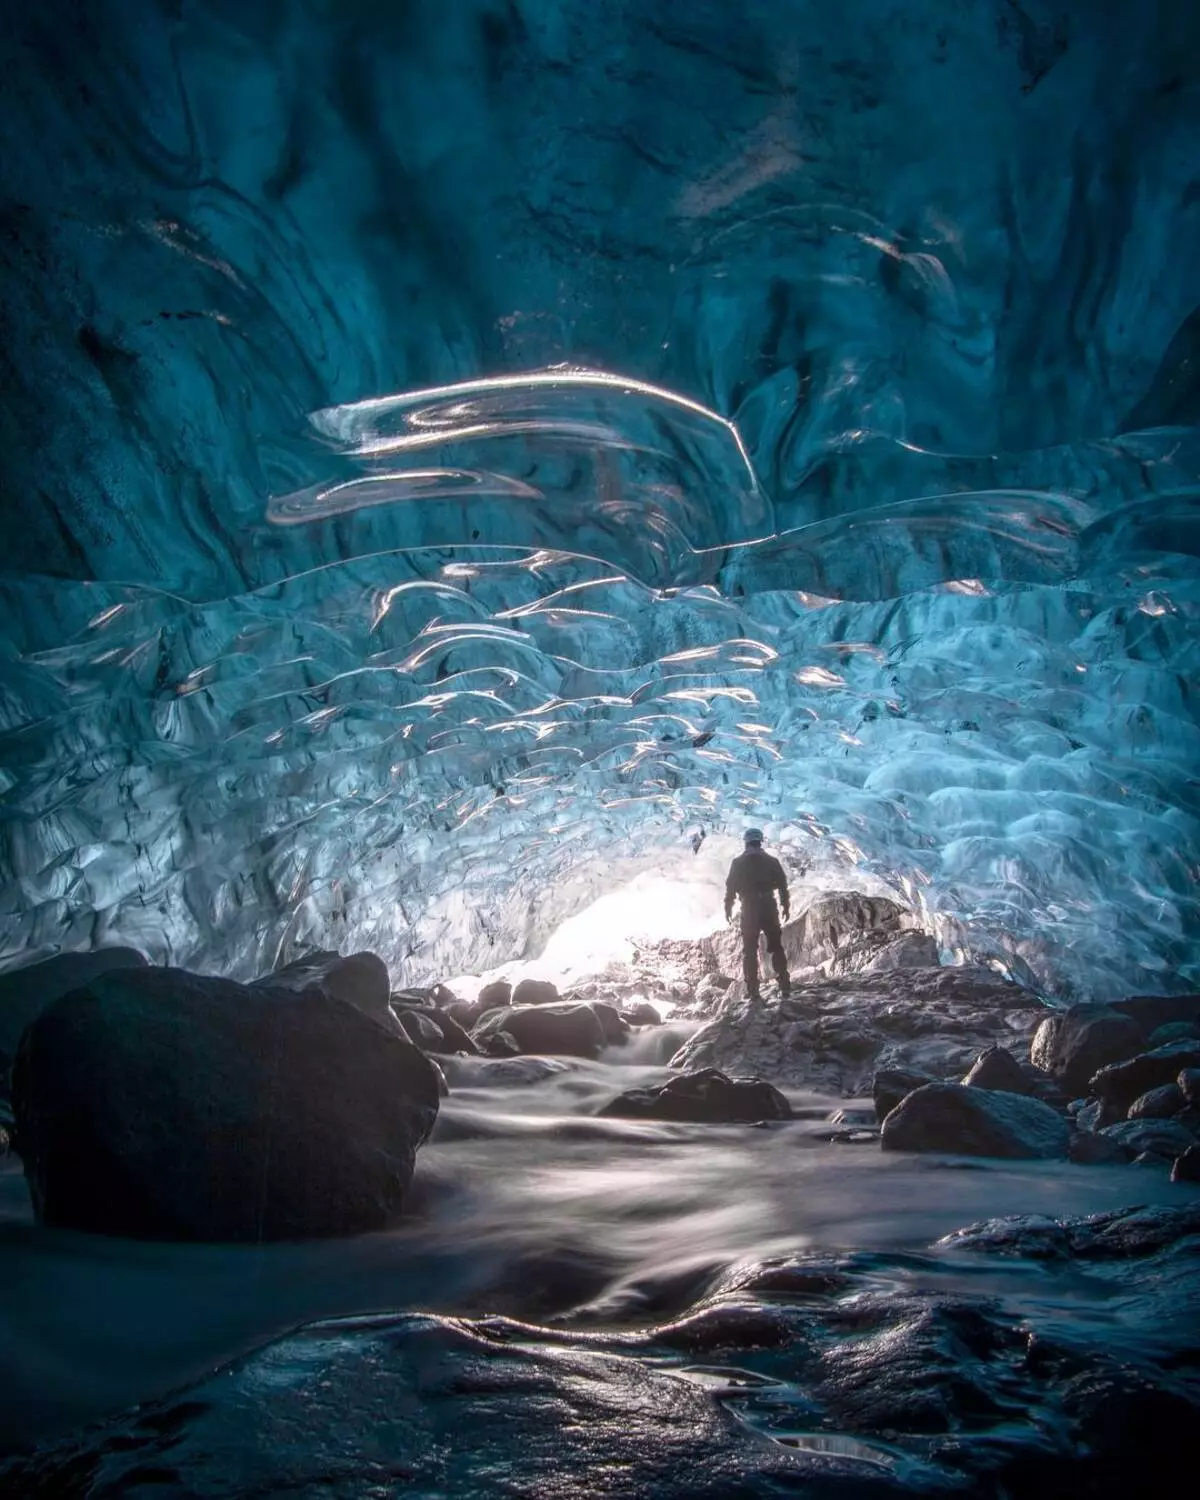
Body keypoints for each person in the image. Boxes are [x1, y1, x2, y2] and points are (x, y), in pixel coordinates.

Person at [724, 828, 791, 1002]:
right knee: (776, 947)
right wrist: (785, 905)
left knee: (750, 951)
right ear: (760, 841)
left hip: (749, 908)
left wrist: (728, 907)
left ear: (746, 842)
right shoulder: (772, 861)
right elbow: (783, 885)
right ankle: (784, 985)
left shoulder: (738, 863)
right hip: (769, 906)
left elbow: (731, 887)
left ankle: (753, 991)